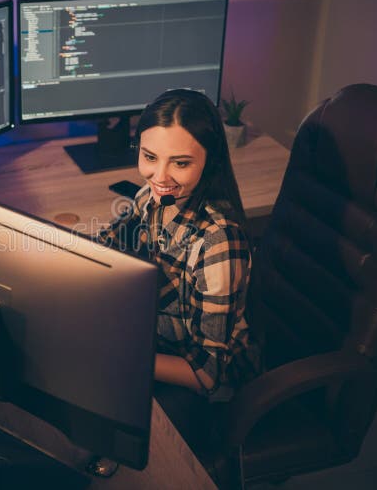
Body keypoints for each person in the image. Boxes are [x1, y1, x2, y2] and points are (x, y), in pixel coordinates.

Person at [96, 88, 259, 461]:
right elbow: (104, 250)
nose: (160, 176)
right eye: (150, 157)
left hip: (201, 387)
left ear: (209, 162)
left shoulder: (218, 243)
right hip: (154, 341)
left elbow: (207, 375)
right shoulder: (150, 197)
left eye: (180, 163)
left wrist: (120, 356)